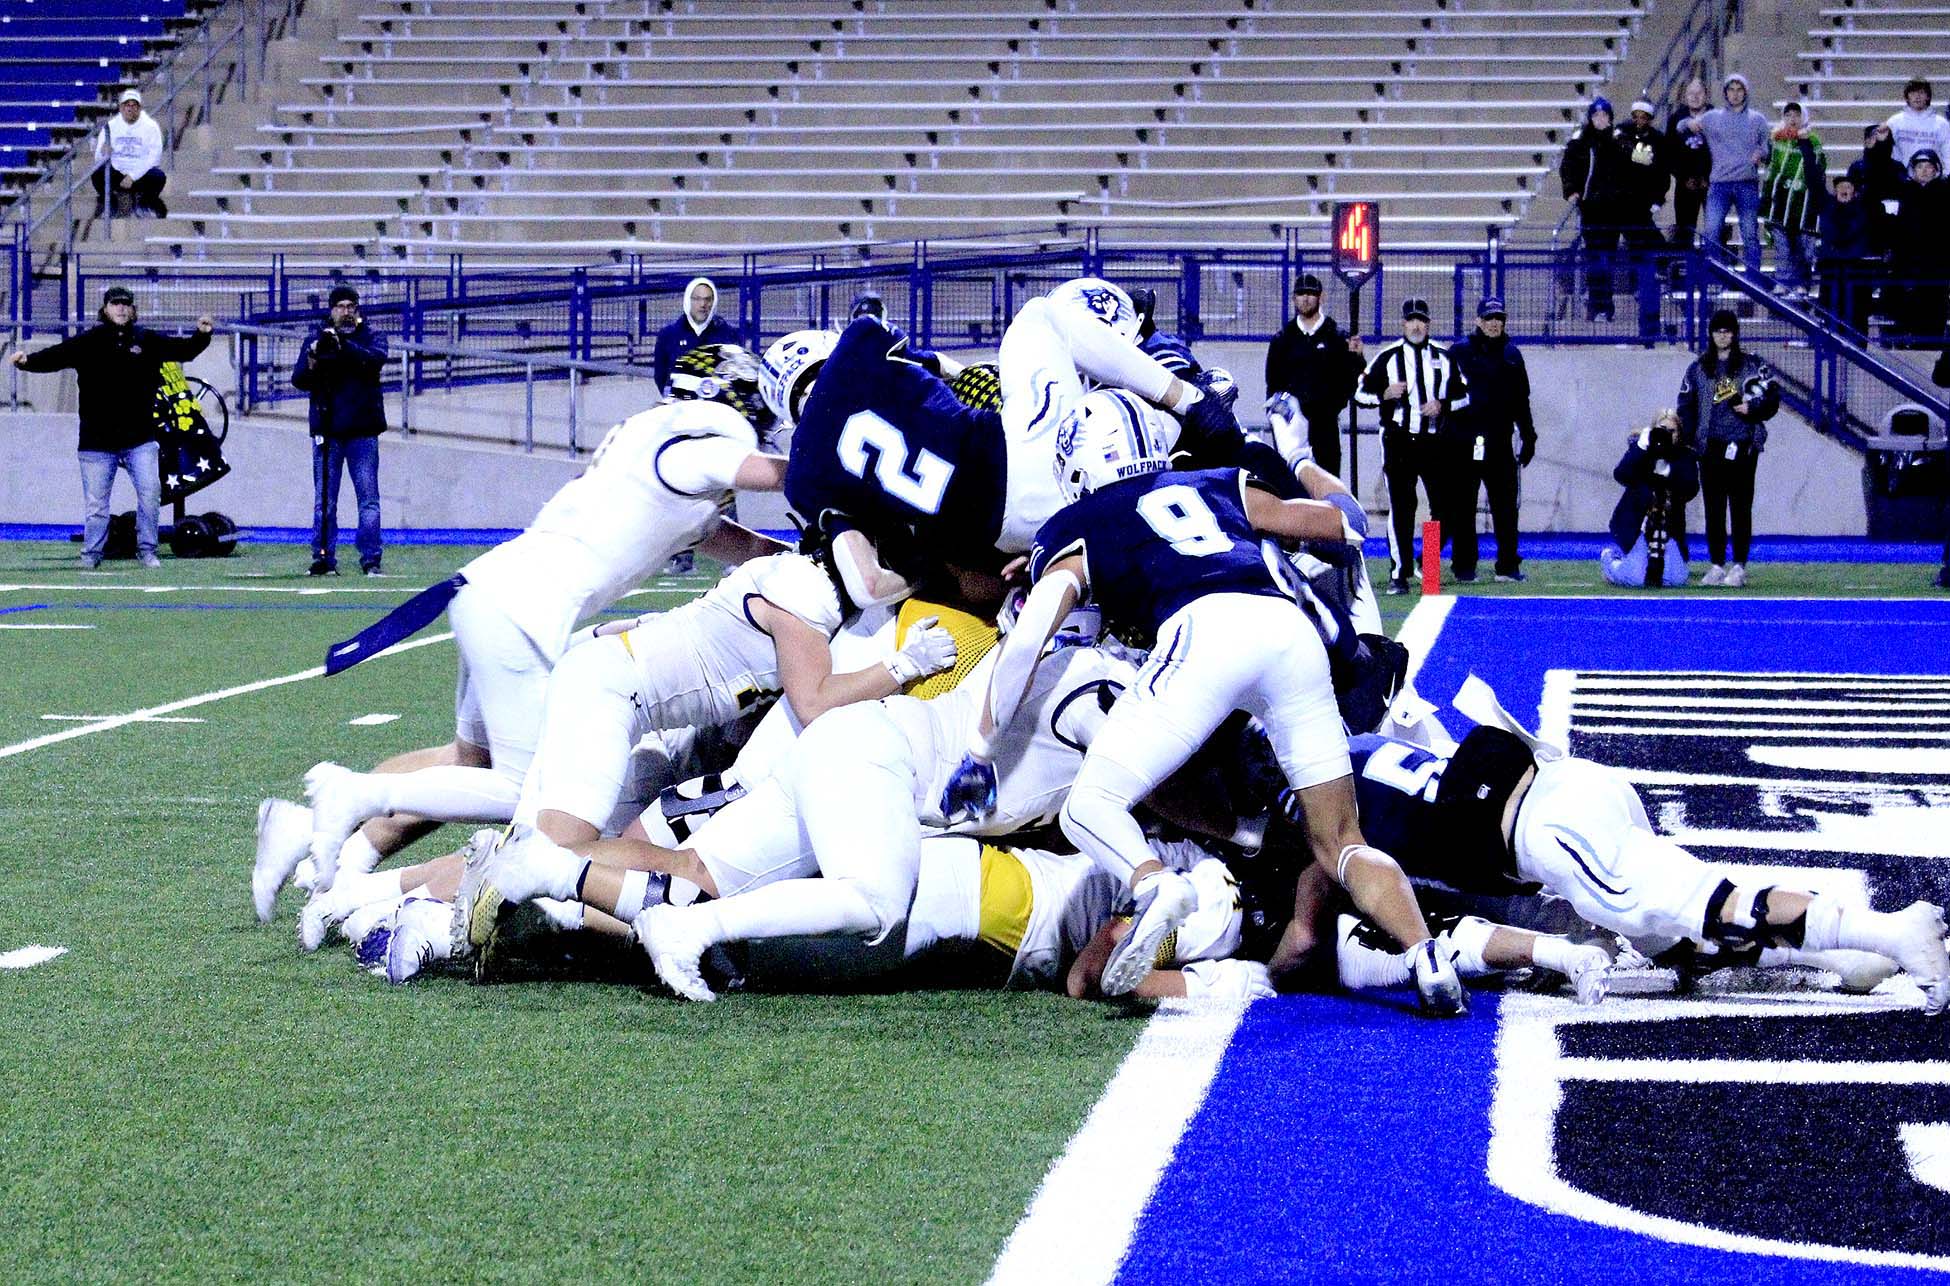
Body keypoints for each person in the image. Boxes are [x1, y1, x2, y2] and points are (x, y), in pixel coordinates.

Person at [939, 388, 1466, 1012]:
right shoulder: (1215, 482)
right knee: (1342, 842)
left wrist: (979, 748)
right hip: (1291, 634)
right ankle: (1425, 954)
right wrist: (1298, 455)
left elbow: (1028, 638)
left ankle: (1153, 883)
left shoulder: (1079, 522)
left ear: (1077, 463)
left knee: (1091, 805)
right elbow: (1348, 524)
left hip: (1205, 635)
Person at [280, 344, 792, 901]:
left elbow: (731, 541)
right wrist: (848, 471)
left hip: (491, 589)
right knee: (528, 787)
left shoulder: (655, 447)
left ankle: (320, 856)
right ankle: (356, 793)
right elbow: (771, 475)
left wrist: (802, 561)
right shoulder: (697, 445)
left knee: (467, 760)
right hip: (520, 613)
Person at [6, 286, 213, 568]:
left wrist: (202, 335)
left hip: (139, 439)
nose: (122, 309)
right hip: (97, 441)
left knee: (151, 496)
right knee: (96, 506)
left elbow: (184, 350)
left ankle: (147, 551)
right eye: (116, 304)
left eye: (126, 304)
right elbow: (56, 356)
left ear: (133, 309)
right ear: (105, 308)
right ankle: (91, 555)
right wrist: (27, 362)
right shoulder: (89, 341)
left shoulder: (145, 340)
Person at [1356, 297, 1470, 594]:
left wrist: (1442, 405)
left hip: (1434, 440)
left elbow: (1465, 397)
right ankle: (1399, 573)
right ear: (1403, 323)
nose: (1416, 325)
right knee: (1402, 507)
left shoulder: (1445, 357)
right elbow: (1359, 395)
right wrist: (1385, 393)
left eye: (1421, 319)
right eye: (1411, 320)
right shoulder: (1388, 357)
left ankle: (1428, 566)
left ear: (1428, 324)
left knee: (1445, 507)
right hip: (1398, 440)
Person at [291, 286, 390, 576]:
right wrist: (312, 358)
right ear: (331, 310)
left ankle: (371, 559)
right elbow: (299, 380)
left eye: (351, 306)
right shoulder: (316, 339)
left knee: (368, 500)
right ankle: (323, 557)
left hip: (362, 431)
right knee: (325, 501)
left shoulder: (371, 337)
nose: (346, 312)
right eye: (341, 306)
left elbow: (374, 360)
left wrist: (342, 346)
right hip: (328, 431)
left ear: (358, 310)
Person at [1677, 310, 1779, 586]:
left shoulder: (1752, 365)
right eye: (1718, 331)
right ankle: (1717, 563)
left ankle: (1739, 565)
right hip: (1709, 447)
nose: (1723, 335)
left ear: (1735, 334)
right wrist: (1688, 438)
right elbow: (1685, 405)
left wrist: (1753, 407)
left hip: (1744, 445)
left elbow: (1773, 397)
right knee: (1714, 508)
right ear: (1711, 334)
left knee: (1741, 506)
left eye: (1728, 331)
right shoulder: (1698, 368)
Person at [1446, 298, 1535, 583]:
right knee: (1460, 507)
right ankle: (1462, 566)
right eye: (1489, 318)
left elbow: (1522, 401)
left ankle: (1508, 565)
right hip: (1462, 442)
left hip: (1500, 442)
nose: (1495, 323)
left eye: (1499, 318)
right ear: (1478, 321)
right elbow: (1443, 394)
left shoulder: (1512, 355)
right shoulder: (1459, 352)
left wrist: (1529, 435)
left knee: (1506, 507)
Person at [1263, 273, 1365, 477]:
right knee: (1290, 485)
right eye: (1301, 293)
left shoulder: (1337, 337)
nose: (1306, 298)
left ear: (1321, 297)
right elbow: (1273, 385)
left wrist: (1358, 357)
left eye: (1311, 293)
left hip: (1325, 425)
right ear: (1293, 298)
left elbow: (1352, 381)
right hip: (1291, 425)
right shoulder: (1283, 339)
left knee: (1327, 483)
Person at [1682, 73, 1772, 274]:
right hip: (1719, 184)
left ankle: (1753, 279)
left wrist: (1761, 153)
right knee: (1712, 232)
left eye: (1739, 90)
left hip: (1746, 183)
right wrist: (1689, 124)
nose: (1735, 94)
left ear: (1745, 93)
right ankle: (1714, 277)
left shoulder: (1758, 119)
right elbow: (1682, 126)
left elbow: (1767, 149)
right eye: (1731, 90)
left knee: (1749, 233)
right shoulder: (1712, 117)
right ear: (1725, 93)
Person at [1599, 409, 1700, 587]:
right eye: (1662, 429)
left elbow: (1690, 489)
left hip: (1668, 530)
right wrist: (1641, 447)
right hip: (1637, 527)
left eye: (1672, 431)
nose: (1667, 435)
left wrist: (1669, 471)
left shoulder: (1686, 456)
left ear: (1679, 434)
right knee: (1636, 579)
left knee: (1675, 579)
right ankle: (1610, 562)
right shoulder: (1640, 451)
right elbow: (1621, 474)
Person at [1559, 97, 1631, 321]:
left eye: (1604, 115)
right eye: (1596, 115)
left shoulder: (1619, 140)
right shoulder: (1581, 140)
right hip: (1590, 207)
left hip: (1613, 208)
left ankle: (1605, 306)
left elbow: (1631, 165)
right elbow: (1568, 167)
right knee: (1592, 255)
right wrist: (1572, 190)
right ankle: (1594, 303)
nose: (1600, 120)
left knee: (1608, 257)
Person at [1616, 99, 1673, 333]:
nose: (1639, 120)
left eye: (1644, 116)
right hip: (1626, 200)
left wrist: (1658, 200)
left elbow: (1658, 168)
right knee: (1638, 242)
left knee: (1647, 243)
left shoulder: (1657, 140)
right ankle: (1640, 283)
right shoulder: (1623, 134)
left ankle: (1649, 279)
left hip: (1645, 201)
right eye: (1636, 115)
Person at [1762, 104, 1826, 300]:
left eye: (1796, 115)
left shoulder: (1813, 140)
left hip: (1804, 203)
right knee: (1782, 247)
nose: (1792, 119)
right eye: (1788, 115)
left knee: (1803, 247)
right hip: (1780, 201)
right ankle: (1782, 281)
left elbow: (1818, 167)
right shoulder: (1776, 138)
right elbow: (1770, 166)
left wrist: (1804, 143)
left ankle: (1801, 283)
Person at [1891, 149, 1950, 344]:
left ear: (1936, 170)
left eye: (1929, 167)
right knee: (1908, 308)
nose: (1924, 171)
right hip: (1909, 264)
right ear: (1913, 170)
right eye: (1920, 167)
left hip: (1938, 265)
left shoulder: (1945, 192)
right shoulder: (1905, 192)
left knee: (1936, 307)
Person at [1818, 174, 1883, 334]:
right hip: (1833, 271)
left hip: (1856, 271)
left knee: (1858, 314)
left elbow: (1853, 232)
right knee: (1832, 311)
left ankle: (1858, 350)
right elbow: (1832, 234)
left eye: (1848, 187)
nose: (1844, 190)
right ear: (1835, 191)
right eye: (1841, 187)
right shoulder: (1827, 210)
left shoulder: (1863, 212)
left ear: (1855, 191)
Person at [651, 277, 740, 393]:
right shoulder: (668, 335)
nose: (703, 304)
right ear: (688, 300)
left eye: (708, 299)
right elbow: (660, 376)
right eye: (697, 299)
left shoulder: (728, 335)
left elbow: (735, 375)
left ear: (714, 302)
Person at [92, 90, 167, 219]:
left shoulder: (150, 126)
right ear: (121, 107)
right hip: (117, 171)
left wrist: (133, 176)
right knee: (98, 175)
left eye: (134, 105)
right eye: (127, 105)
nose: (130, 109)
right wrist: (103, 153)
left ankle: (144, 205)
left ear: (139, 108)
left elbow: (155, 157)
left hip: (140, 172)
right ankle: (111, 205)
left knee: (158, 177)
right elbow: (98, 157)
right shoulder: (110, 126)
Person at [1667, 78, 1714, 254]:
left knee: (1715, 228)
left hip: (1712, 182)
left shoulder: (1716, 116)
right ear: (1684, 96)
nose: (1694, 97)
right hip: (1685, 183)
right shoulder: (1675, 119)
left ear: (1706, 95)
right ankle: (1683, 272)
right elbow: (1669, 152)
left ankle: (1718, 269)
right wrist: (1683, 177)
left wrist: (1709, 177)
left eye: (1698, 93)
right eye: (1690, 93)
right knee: (1685, 229)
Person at [1885, 77, 1950, 168]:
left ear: (1928, 97)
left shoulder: (1941, 123)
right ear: (1907, 97)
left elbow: (1947, 152)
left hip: (1932, 177)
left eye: (1921, 92)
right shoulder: (1894, 122)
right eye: (1913, 93)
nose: (1917, 96)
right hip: (1901, 177)